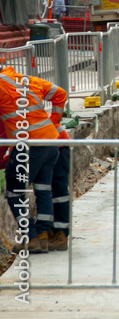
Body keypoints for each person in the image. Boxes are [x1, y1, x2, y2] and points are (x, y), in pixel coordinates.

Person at [0, 66, 64, 253]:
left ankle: (32, 237)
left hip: (28, 145)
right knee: (43, 188)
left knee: (14, 192)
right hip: (50, 141)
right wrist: (55, 119)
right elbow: (60, 93)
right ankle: (42, 235)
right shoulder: (28, 80)